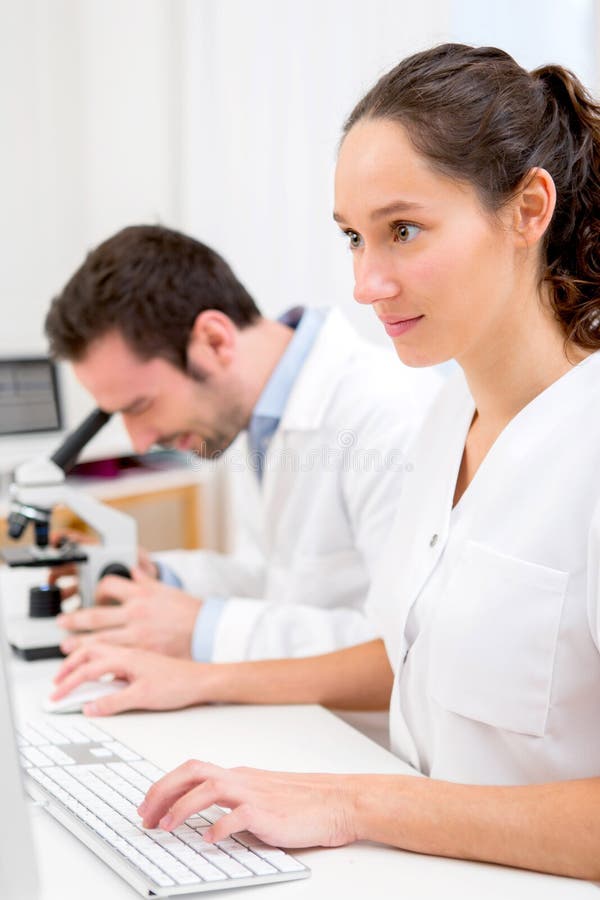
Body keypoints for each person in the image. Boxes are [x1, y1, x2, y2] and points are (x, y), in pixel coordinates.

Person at [52, 43, 600, 879]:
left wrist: (349, 800)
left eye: (403, 231)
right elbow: (409, 654)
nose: (367, 282)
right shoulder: (449, 415)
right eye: (353, 238)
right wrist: (199, 675)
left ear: (528, 210)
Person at [45, 225, 441, 663]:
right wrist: (159, 578)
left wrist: (201, 629)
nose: (140, 440)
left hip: (364, 731)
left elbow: (410, 648)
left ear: (214, 340)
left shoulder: (390, 412)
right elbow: (279, 584)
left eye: (141, 404)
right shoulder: (252, 419)